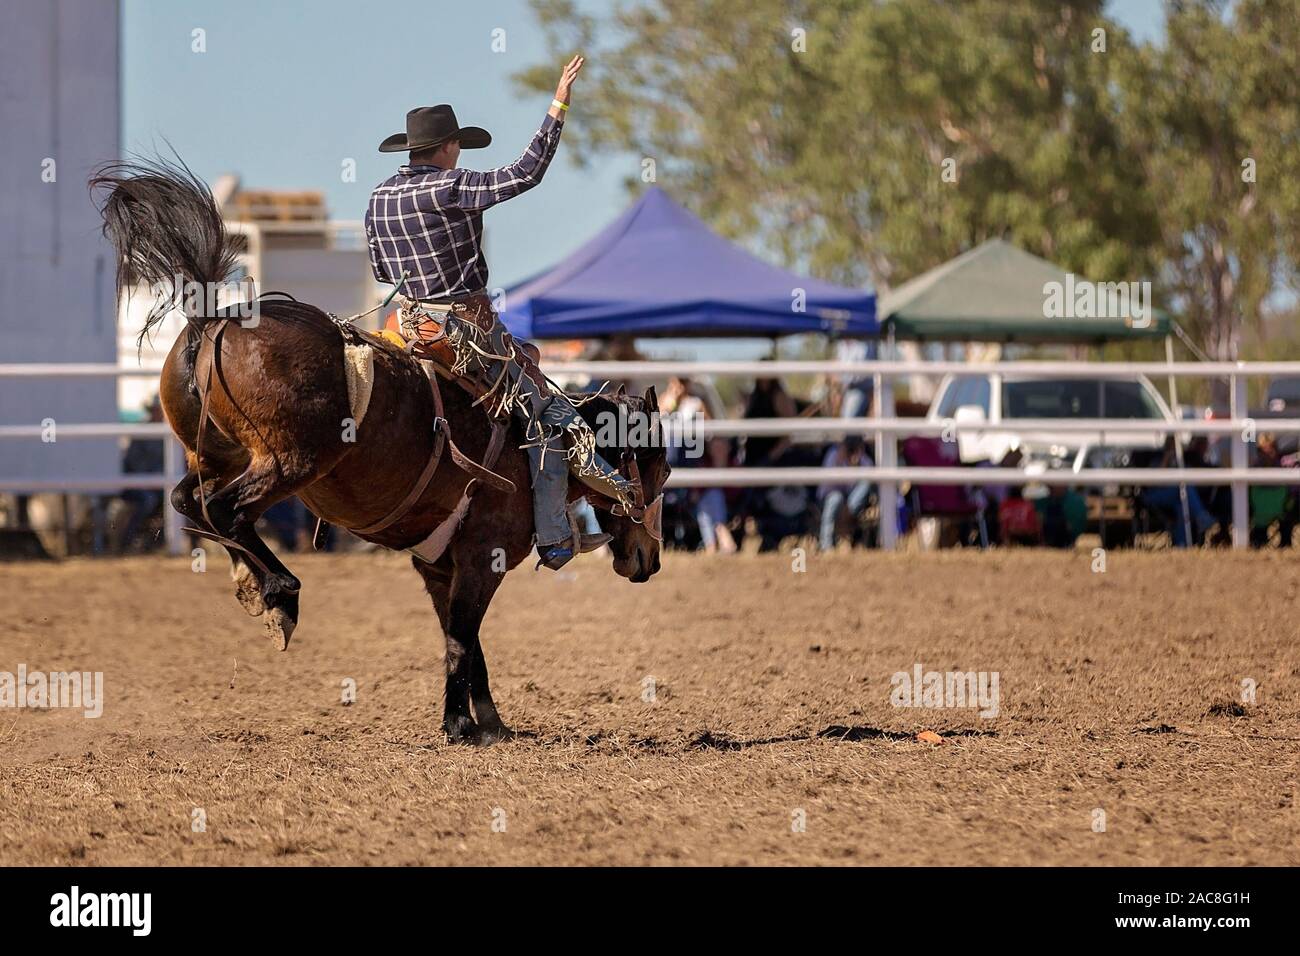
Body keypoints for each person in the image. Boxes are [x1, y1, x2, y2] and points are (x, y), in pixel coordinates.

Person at [365, 55, 634, 571]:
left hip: (406, 328)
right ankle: (557, 536)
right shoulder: (451, 185)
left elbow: (383, 272)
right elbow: (525, 173)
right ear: (447, 147)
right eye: (457, 145)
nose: (458, 152)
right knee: (552, 419)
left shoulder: (378, 198)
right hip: (464, 332)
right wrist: (558, 104)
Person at [817, 435, 872, 551]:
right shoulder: (833, 454)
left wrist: (855, 465)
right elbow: (828, 486)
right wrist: (840, 462)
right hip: (829, 497)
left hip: (851, 503)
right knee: (835, 498)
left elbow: (869, 474)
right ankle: (826, 546)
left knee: (866, 483)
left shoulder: (863, 459)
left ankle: (849, 515)